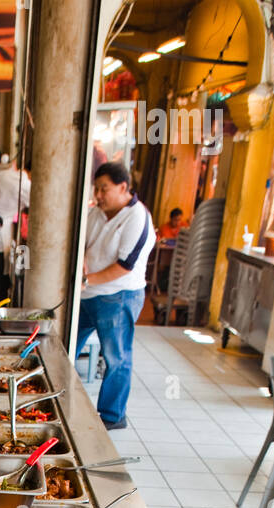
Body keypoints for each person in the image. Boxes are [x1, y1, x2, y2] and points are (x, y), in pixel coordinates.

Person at [75, 161, 154, 431]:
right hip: (87, 295)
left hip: (118, 296)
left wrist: (85, 280)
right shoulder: (97, 213)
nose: (97, 195)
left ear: (123, 187)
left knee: (116, 357)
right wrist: (83, 265)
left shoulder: (137, 218)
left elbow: (125, 265)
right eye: (96, 189)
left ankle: (111, 415)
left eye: (103, 189)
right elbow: (83, 244)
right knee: (66, 348)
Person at [0, 159, 31, 302]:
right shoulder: (24, 183)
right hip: (1, 240)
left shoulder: (1, 176)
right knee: (1, 287)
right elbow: (40, 208)